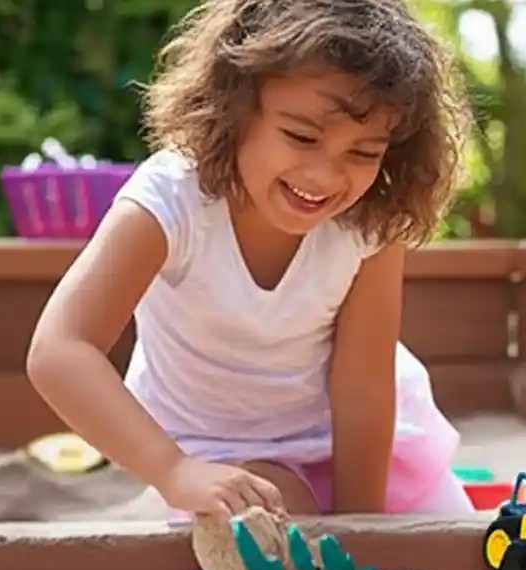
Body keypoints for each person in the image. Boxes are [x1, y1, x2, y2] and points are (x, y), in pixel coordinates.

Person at [27, 0, 476, 520]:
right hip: (207, 456)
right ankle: (148, 507)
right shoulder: (171, 200)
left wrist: (361, 526)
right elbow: (60, 349)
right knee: (266, 522)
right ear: (235, 106)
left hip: (352, 446)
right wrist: (173, 471)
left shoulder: (369, 216)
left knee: (455, 549)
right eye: (301, 137)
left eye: (363, 153)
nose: (325, 176)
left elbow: (363, 389)